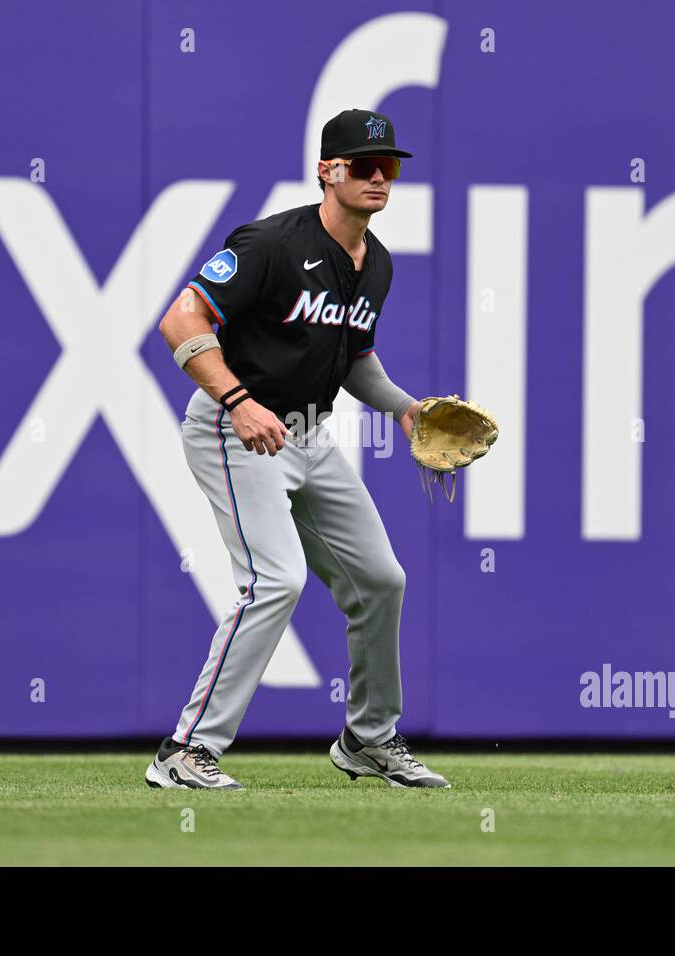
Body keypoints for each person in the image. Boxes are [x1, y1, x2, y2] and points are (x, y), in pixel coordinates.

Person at [145, 109, 450, 791]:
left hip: (309, 436)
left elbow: (354, 360)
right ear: (326, 171)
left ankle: (368, 739)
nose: (378, 177)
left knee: (381, 579)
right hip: (235, 430)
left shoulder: (377, 265)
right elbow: (180, 319)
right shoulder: (273, 244)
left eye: (388, 167)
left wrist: (405, 409)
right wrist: (237, 400)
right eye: (361, 165)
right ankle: (184, 751)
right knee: (275, 581)